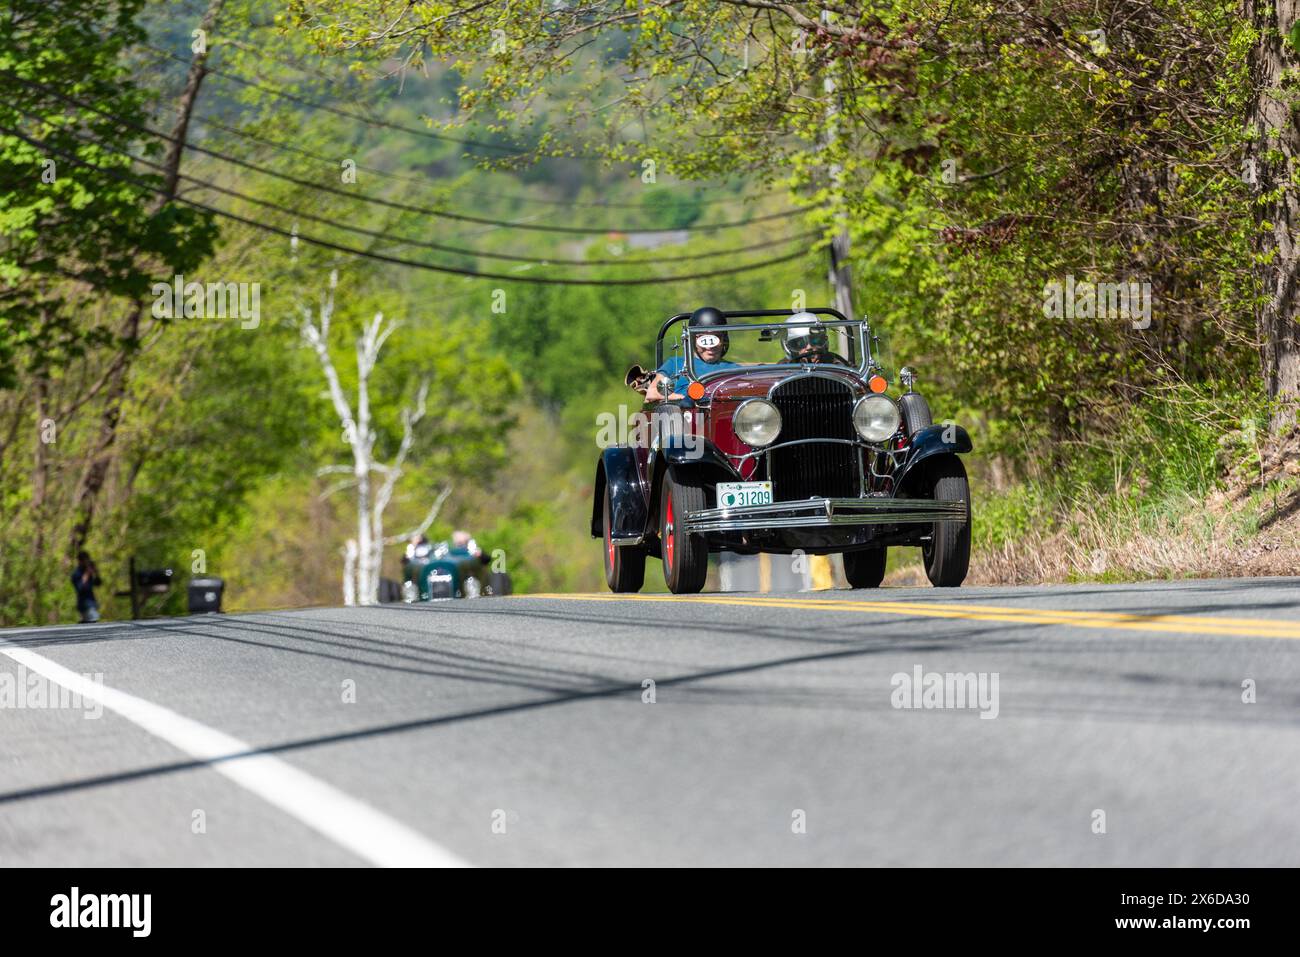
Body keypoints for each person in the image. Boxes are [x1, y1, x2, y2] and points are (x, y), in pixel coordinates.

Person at [646, 305, 739, 402]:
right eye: (703, 339)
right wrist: (684, 399)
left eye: (716, 337)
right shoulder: (675, 363)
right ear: (693, 339)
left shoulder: (734, 369)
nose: (710, 346)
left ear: (724, 340)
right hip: (684, 413)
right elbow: (652, 393)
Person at [782, 314, 849, 365]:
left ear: (824, 341)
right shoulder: (782, 369)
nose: (809, 347)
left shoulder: (838, 365)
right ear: (789, 348)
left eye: (815, 340)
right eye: (800, 343)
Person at [70, 551, 102, 623]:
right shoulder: (76, 573)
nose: (87, 563)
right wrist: (87, 573)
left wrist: (96, 573)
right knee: (93, 619)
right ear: (80, 561)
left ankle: (82, 624)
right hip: (84, 603)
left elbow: (98, 583)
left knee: (90, 622)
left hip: (91, 602)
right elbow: (80, 588)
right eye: (85, 560)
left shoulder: (88, 571)